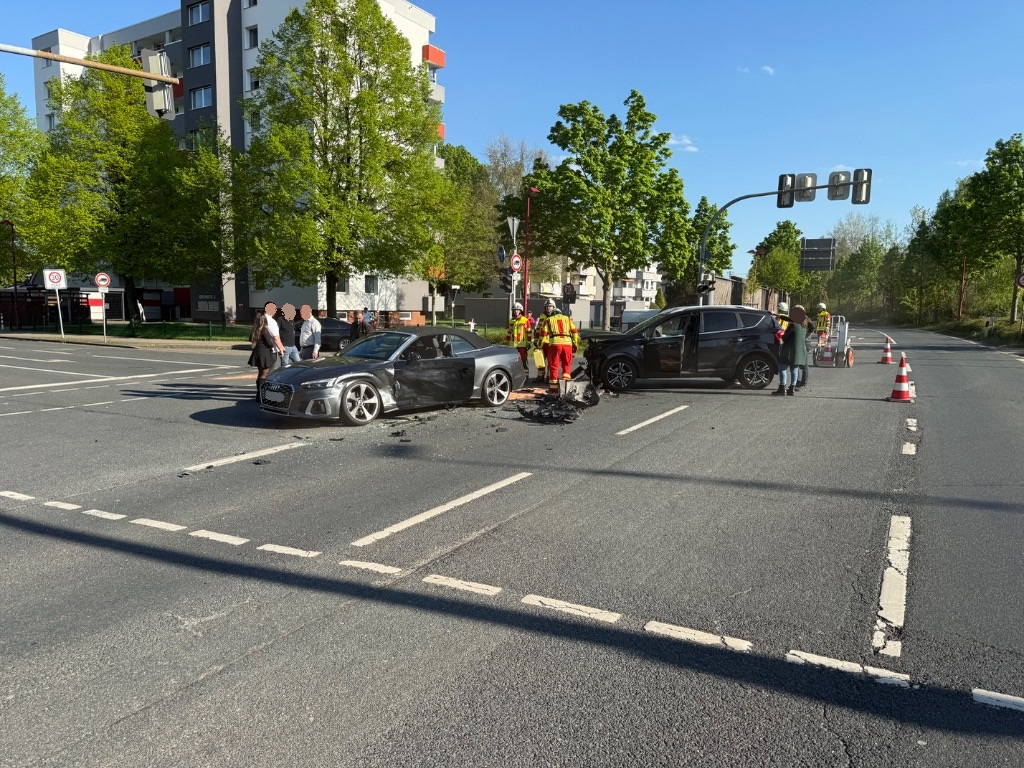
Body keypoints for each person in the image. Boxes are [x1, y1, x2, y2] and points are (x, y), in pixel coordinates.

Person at [536, 299, 580, 392]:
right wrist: (575, 345)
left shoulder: (548, 320)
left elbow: (543, 334)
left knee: (554, 366)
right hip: (567, 344)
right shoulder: (568, 319)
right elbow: (575, 332)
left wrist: (539, 345)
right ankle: (566, 388)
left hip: (554, 344)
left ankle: (554, 389)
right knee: (566, 365)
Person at [774, 304, 807, 396]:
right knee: (794, 370)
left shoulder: (793, 325)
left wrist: (782, 337)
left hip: (789, 350)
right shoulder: (804, 325)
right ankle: (792, 388)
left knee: (782, 368)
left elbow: (785, 337)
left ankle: (782, 387)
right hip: (799, 352)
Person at [247, 311, 279, 400]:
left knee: (260, 373)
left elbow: (250, 339)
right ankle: (261, 395)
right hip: (264, 353)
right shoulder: (264, 329)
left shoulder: (255, 329)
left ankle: (258, 394)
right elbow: (270, 343)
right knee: (264, 375)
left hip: (257, 352)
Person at [505, 302, 530, 373]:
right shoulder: (511, 321)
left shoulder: (525, 320)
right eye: (514, 310)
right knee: (514, 361)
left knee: (523, 361)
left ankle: (526, 375)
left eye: (517, 310)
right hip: (513, 344)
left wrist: (529, 342)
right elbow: (509, 332)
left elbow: (529, 333)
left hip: (522, 344)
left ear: (520, 311)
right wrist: (506, 341)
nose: (516, 311)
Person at [262, 301, 286, 368]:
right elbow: (276, 338)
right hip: (270, 350)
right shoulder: (271, 321)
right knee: (269, 372)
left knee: (262, 373)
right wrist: (281, 349)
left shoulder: (259, 319)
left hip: (260, 349)